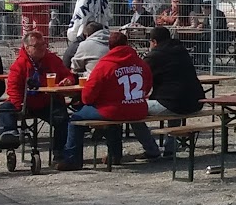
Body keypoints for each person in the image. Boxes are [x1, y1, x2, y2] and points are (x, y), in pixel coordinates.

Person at [56, 30, 162, 170]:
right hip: (138, 108)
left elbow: (87, 97)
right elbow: (147, 87)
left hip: (113, 110)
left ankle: (72, 159)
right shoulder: (140, 63)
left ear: (109, 46)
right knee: (112, 119)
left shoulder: (105, 65)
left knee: (76, 119)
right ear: (127, 44)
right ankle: (114, 155)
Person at [0, 30, 70, 150]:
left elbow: (68, 75)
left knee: (63, 118)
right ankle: (9, 137)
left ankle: (60, 154)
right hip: (25, 102)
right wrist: (20, 105)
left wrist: (68, 80)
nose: (41, 48)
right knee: (4, 108)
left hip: (46, 101)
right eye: (36, 46)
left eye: (43, 44)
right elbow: (13, 89)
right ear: (27, 48)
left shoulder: (53, 59)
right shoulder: (19, 64)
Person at [146, 26, 206, 157]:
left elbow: (142, 77)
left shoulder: (155, 55)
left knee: (131, 110)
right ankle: (170, 148)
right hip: (195, 102)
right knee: (174, 99)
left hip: (174, 104)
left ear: (154, 42)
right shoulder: (181, 51)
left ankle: (151, 149)